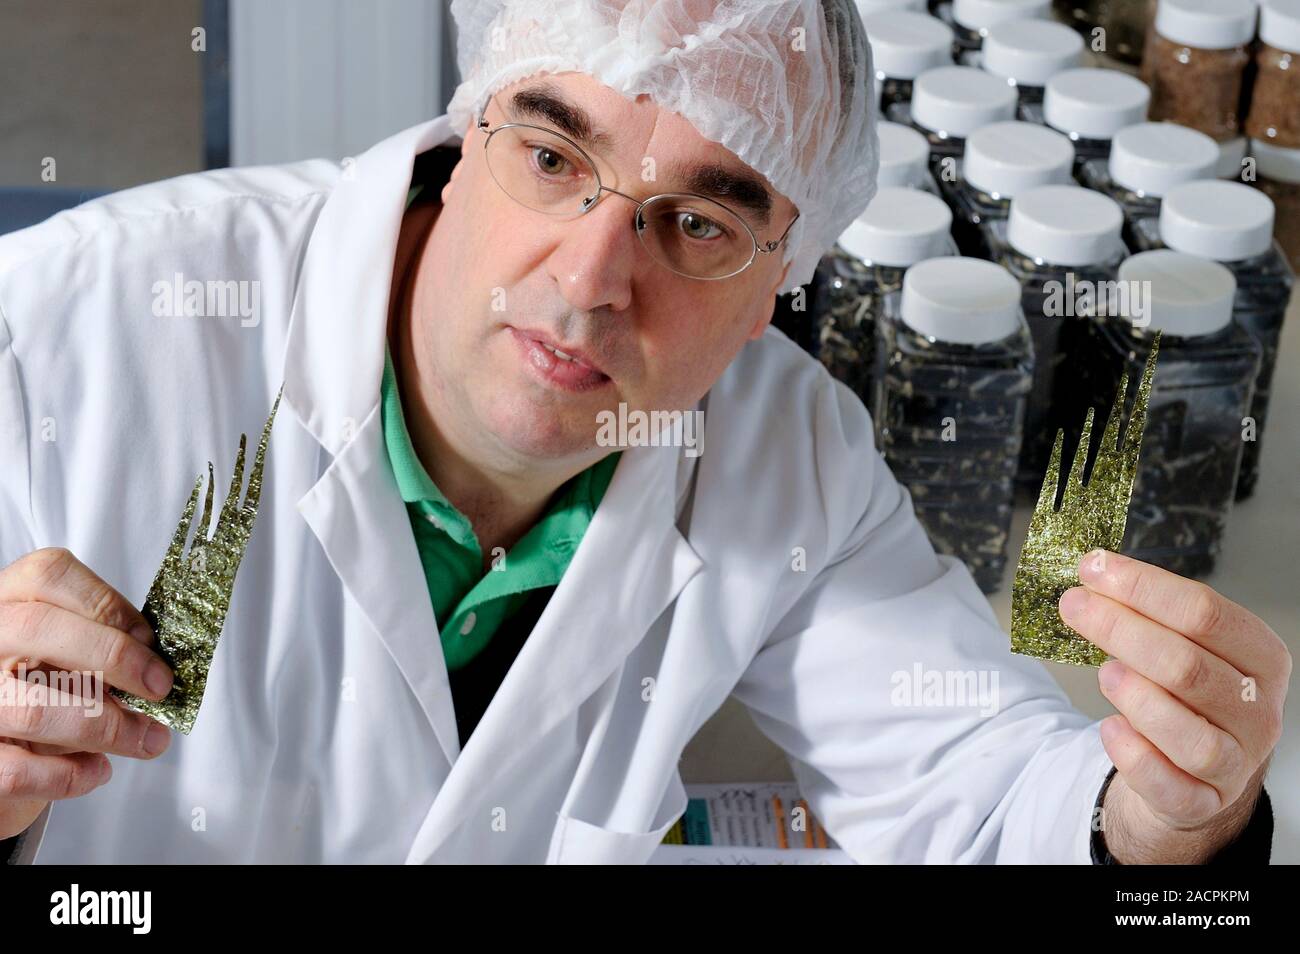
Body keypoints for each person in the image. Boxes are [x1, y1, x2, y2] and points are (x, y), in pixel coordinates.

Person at [0, 0, 1286, 864]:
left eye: (700, 225)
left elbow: (989, 787)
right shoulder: (72, 332)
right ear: (467, 134)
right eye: (556, 158)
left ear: (784, 282)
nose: (592, 279)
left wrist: (1176, 820)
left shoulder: (790, 461)